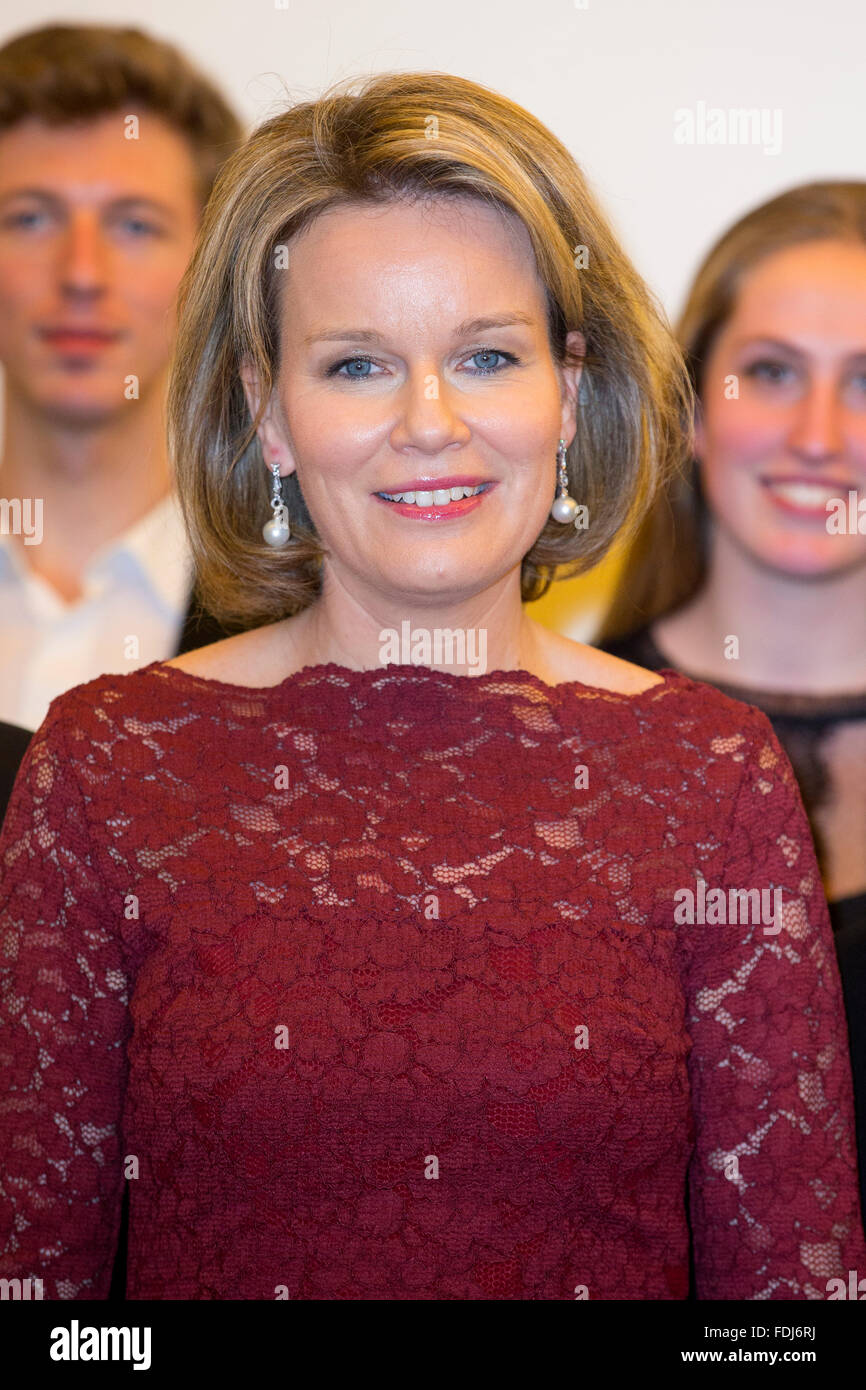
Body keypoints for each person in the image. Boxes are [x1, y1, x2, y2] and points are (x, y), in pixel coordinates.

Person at [0, 73, 862, 1301]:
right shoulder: (104, 768)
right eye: (357, 365)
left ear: (566, 392)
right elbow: (35, 1293)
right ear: (268, 413)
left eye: (486, 355)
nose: (429, 421)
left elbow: (786, 1306)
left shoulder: (710, 778)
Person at [599, 183, 866, 1225]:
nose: (814, 434)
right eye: (767, 372)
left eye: (863, 381)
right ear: (690, 408)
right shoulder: (560, 736)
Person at [0, 23, 243, 743]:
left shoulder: (317, 613)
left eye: (134, 226)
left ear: (208, 268)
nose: (81, 275)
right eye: (31, 218)